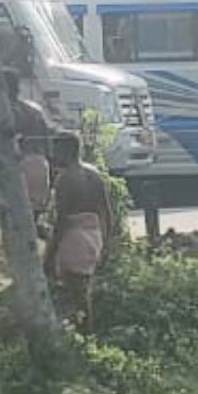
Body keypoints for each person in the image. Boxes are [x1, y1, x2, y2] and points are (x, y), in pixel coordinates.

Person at [43, 132, 112, 332]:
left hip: (75, 237)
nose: (53, 155)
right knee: (82, 288)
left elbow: (62, 221)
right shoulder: (95, 174)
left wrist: (50, 254)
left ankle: (85, 337)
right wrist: (106, 244)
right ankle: (82, 333)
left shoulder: (64, 179)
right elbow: (107, 213)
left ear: (65, 151)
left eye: (56, 150)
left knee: (78, 293)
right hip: (95, 234)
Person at [6, 70, 55, 234]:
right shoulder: (35, 109)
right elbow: (48, 137)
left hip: (21, 163)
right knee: (34, 212)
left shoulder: (7, 112)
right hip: (40, 162)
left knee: (20, 218)